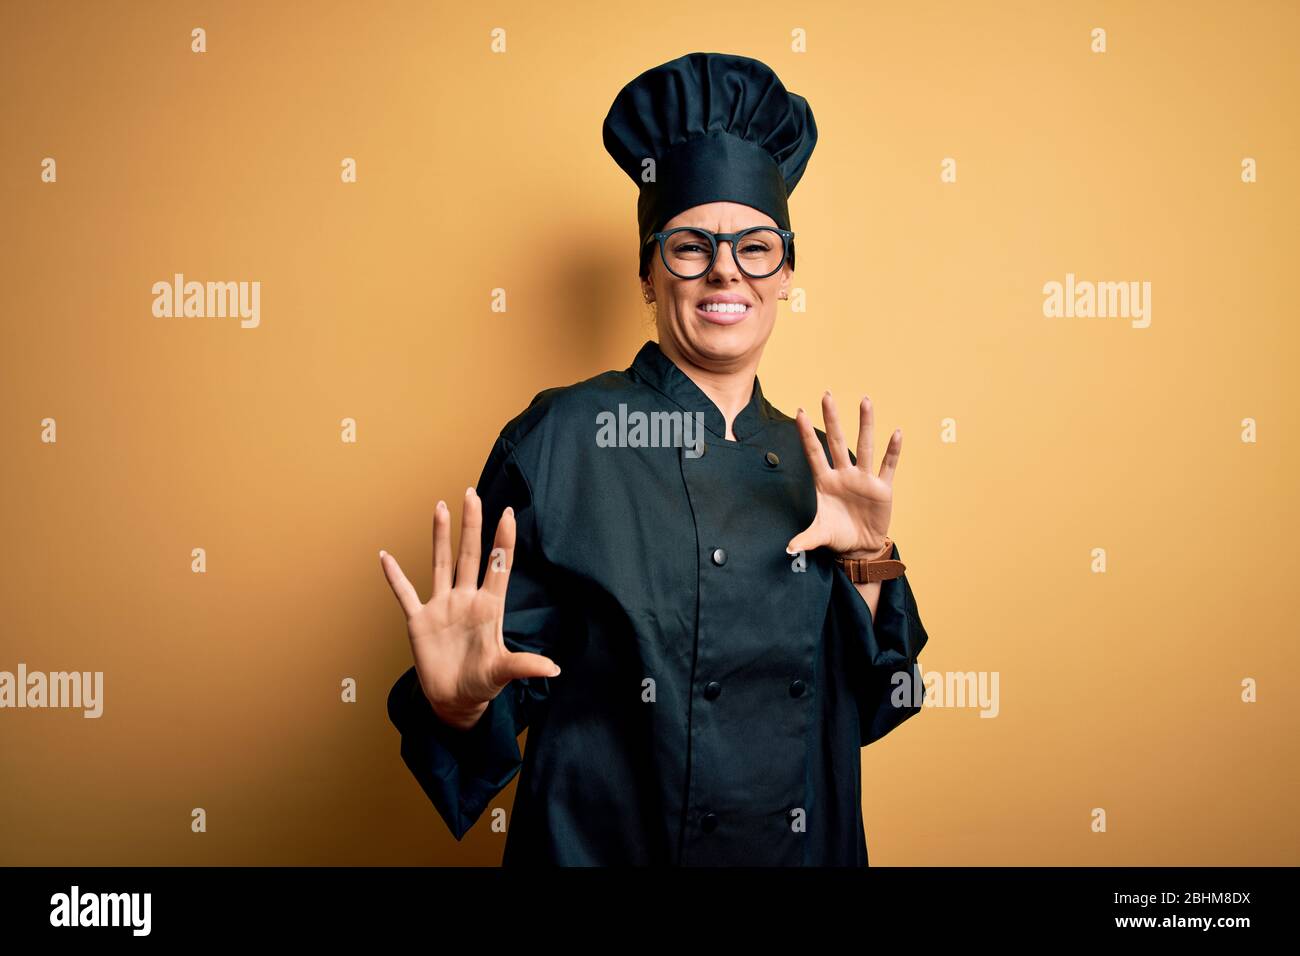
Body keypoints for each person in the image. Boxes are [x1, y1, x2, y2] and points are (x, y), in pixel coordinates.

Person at [381, 51, 930, 866]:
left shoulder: (820, 464)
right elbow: (486, 677)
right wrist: (457, 707)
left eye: (754, 247)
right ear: (647, 273)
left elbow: (887, 700)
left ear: (785, 272)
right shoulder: (562, 439)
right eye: (688, 246)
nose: (723, 271)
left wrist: (873, 560)